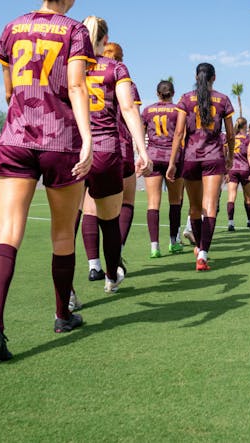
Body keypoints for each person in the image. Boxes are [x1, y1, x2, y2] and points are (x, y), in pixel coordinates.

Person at [0, 0, 94, 362]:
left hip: (16, 136)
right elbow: (78, 85)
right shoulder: (76, 30)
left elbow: (9, 88)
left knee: (7, 231)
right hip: (60, 139)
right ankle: (63, 315)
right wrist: (88, 140)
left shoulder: (12, 26)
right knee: (63, 235)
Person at [79, 16, 151, 295]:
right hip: (112, 146)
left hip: (74, 147)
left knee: (79, 214)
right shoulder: (117, 70)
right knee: (116, 212)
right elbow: (130, 110)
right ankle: (112, 271)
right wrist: (141, 148)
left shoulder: (72, 67)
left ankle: (84, 274)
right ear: (105, 40)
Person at [167, 63, 236, 271]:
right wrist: (230, 156)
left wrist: (172, 162)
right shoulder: (223, 99)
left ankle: (199, 246)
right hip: (214, 157)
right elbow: (231, 134)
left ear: (196, 77)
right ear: (214, 78)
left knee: (196, 207)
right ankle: (203, 254)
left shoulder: (185, 99)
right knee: (211, 205)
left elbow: (179, 133)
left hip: (190, 157)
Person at [102, 42, 140, 253]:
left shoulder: (84, 74)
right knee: (127, 200)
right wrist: (140, 149)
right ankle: (117, 254)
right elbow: (131, 111)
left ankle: (93, 264)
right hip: (119, 145)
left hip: (90, 146)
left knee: (89, 206)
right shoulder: (124, 79)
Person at [141, 79, 186, 257]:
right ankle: (173, 242)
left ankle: (154, 246)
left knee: (153, 203)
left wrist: (142, 155)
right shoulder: (178, 111)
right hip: (172, 157)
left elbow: (141, 134)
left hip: (153, 156)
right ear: (173, 93)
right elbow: (181, 134)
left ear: (157, 93)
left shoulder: (147, 110)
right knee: (175, 201)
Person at [225, 117, 250, 232]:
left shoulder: (231, 138)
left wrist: (226, 170)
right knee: (248, 197)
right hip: (244, 169)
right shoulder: (248, 139)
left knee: (231, 197)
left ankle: (231, 222)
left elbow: (226, 154)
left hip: (232, 169)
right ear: (245, 126)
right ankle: (249, 221)